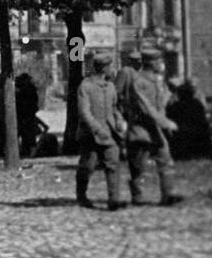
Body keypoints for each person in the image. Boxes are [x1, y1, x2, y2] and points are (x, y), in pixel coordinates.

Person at [119, 49, 183, 206]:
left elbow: (160, 104)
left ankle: (168, 194)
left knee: (165, 159)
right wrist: (165, 122)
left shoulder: (158, 81)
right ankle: (138, 197)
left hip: (156, 130)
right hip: (141, 129)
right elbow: (145, 107)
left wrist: (171, 92)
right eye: (159, 61)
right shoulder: (138, 82)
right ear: (151, 63)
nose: (161, 64)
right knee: (138, 166)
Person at [76, 52, 127, 211]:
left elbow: (114, 108)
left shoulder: (110, 86)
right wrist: (97, 129)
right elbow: (84, 113)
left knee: (113, 164)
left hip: (110, 133)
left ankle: (114, 200)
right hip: (91, 135)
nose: (112, 69)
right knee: (88, 166)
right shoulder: (86, 86)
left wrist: (119, 120)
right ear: (103, 68)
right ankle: (81, 196)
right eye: (110, 66)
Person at [15, 73, 40, 157]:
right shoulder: (31, 89)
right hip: (28, 114)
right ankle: (28, 150)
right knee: (28, 134)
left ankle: (29, 151)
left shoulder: (24, 90)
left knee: (27, 133)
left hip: (25, 114)